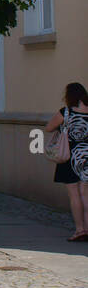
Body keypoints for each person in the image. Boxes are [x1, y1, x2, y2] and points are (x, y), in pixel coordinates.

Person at [46, 82, 88, 242]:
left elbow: (49, 128)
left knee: (74, 195)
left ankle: (80, 230)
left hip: (69, 156)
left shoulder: (66, 112)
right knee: (85, 194)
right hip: (86, 156)